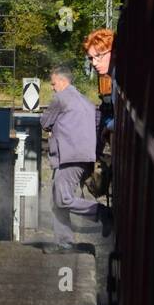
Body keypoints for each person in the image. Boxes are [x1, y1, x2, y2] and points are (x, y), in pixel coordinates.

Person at [40, 64, 99, 253]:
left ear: (63, 81)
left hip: (68, 157)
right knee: (56, 201)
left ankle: (102, 213)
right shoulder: (86, 101)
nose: (52, 87)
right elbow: (96, 122)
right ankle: (64, 242)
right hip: (84, 157)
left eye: (53, 83)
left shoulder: (60, 98)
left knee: (63, 199)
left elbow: (45, 122)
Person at [83, 28, 115, 200]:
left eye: (98, 56)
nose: (94, 63)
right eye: (90, 58)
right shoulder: (109, 76)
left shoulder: (116, 79)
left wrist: (109, 126)